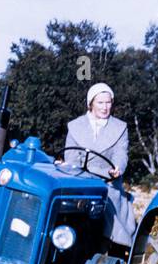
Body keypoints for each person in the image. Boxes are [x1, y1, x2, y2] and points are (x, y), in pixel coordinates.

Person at [56, 82, 137, 253]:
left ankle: (113, 247)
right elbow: (71, 157)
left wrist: (117, 168)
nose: (105, 107)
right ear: (91, 103)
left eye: (108, 102)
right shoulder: (75, 126)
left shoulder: (120, 127)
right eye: (100, 103)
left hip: (107, 181)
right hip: (80, 179)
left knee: (109, 205)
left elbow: (121, 153)